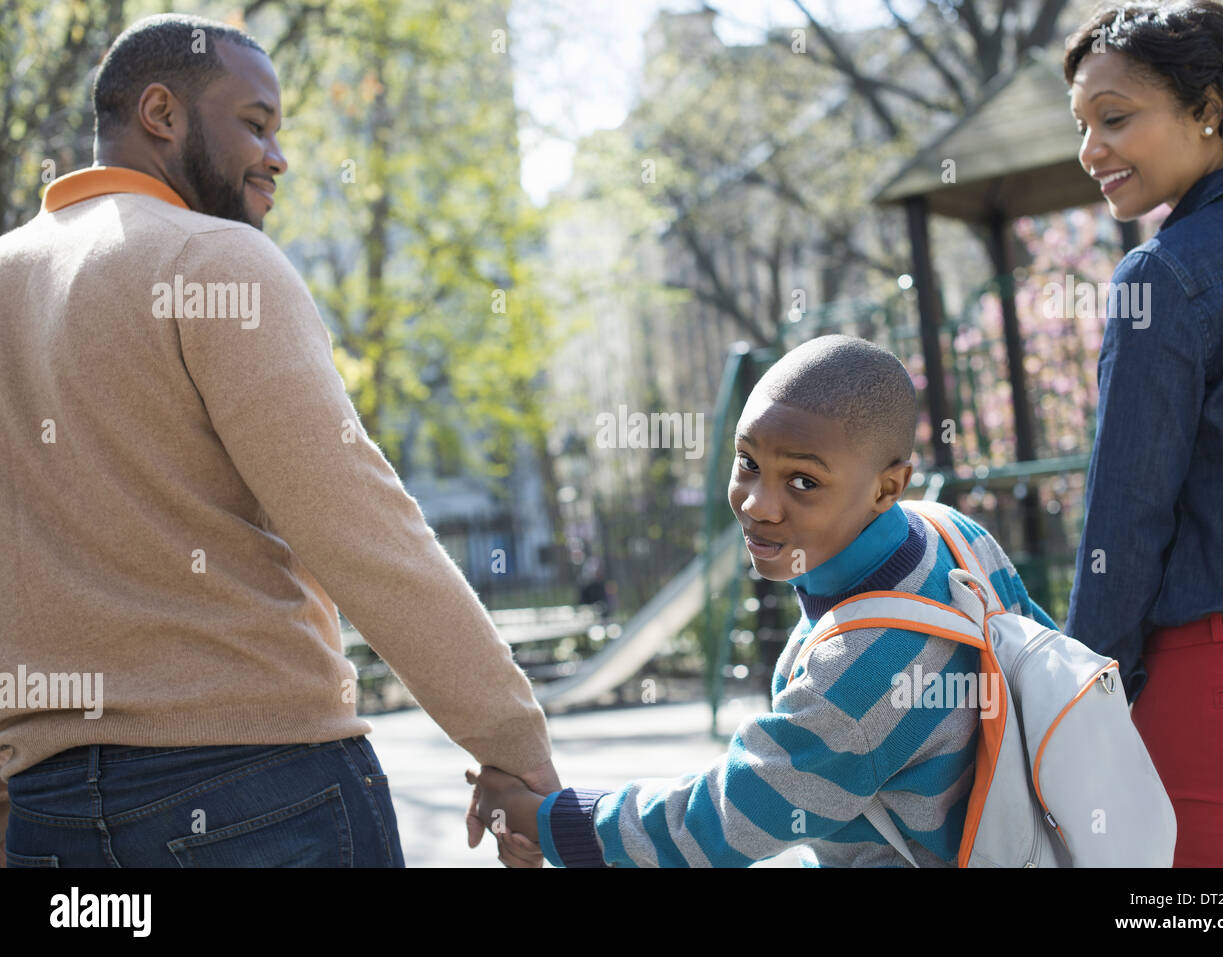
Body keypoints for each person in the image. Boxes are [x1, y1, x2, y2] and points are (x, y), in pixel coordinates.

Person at [0, 13, 554, 868]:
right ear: (162, 112)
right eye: (255, 125)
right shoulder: (213, 259)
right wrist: (513, 741)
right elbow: (361, 528)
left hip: (49, 819)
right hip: (258, 795)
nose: (278, 157)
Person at [468, 335, 1057, 867]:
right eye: (748, 462)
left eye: (803, 481)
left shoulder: (862, 672)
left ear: (886, 488)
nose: (757, 503)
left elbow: (715, 825)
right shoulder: (954, 533)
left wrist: (539, 818)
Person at [1063, 2, 1223, 866]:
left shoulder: (1161, 277)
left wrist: (1077, 708)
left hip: (1222, 693)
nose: (1092, 151)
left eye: (1115, 118)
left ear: (1207, 106)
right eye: (1083, 126)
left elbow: (1123, 529)